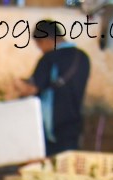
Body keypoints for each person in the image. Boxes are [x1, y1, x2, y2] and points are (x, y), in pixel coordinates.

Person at [16, 19, 90, 156]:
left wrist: (18, 87)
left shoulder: (48, 59)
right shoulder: (82, 57)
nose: (41, 50)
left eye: (39, 45)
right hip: (74, 125)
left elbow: (32, 89)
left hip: (52, 130)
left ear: (45, 40)